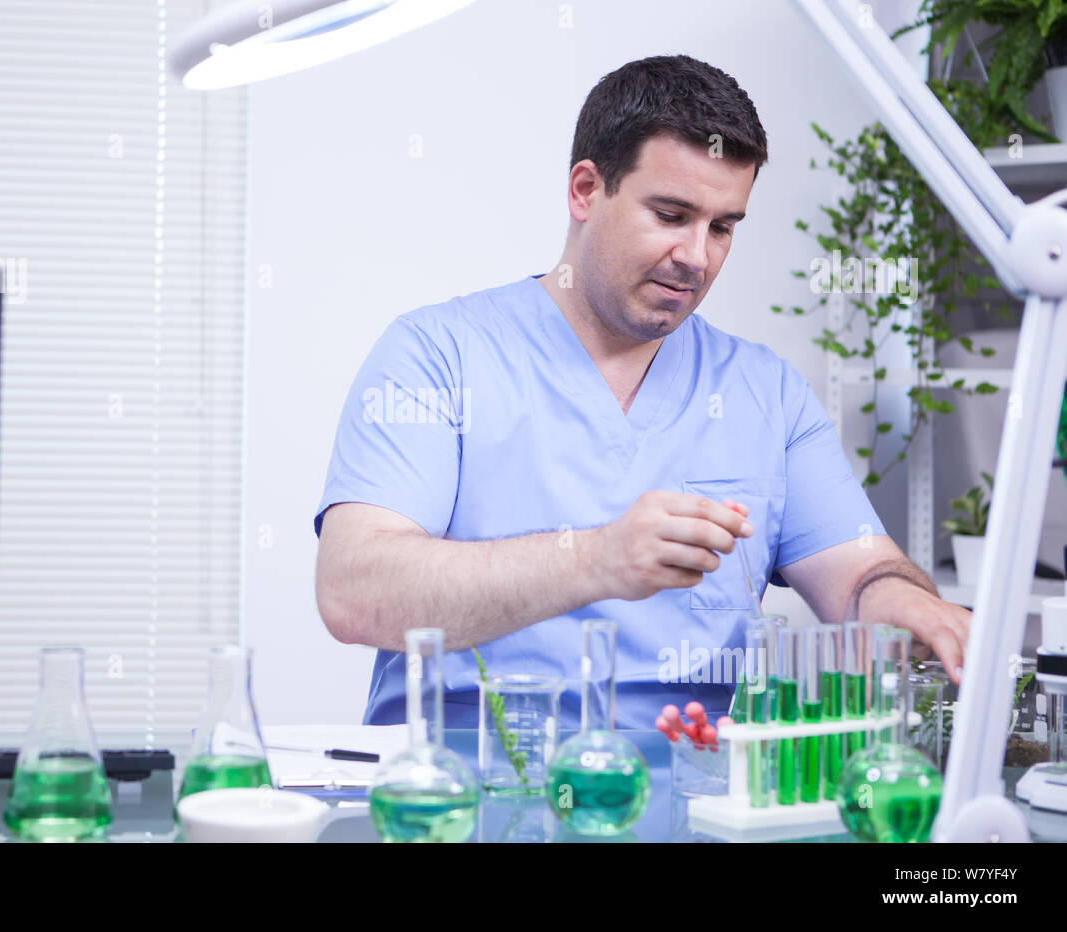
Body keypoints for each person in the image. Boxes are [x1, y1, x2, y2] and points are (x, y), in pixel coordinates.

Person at [313, 54, 971, 730]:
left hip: (701, 797)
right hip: (465, 791)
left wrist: (907, 605)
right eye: (670, 214)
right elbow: (353, 592)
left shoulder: (766, 395)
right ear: (586, 190)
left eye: (722, 227)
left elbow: (859, 576)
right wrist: (597, 559)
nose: (697, 255)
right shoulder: (437, 356)